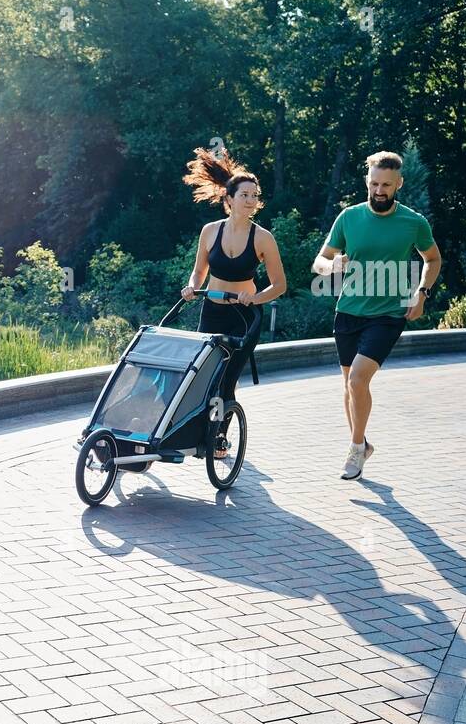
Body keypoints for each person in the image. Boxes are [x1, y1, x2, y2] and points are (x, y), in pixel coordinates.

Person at [312, 150, 442, 480]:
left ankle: (356, 449)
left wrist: (421, 293)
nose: (379, 190)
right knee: (349, 387)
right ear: (366, 182)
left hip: (388, 314)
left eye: (386, 184)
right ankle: (363, 444)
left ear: (398, 183)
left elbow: (433, 259)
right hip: (348, 311)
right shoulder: (348, 217)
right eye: (374, 184)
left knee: (357, 380)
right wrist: (332, 266)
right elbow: (319, 261)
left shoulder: (413, 222)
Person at [180, 147, 287, 455]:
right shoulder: (209, 232)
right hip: (212, 309)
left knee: (227, 379)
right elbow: (199, 271)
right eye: (245, 195)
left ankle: (220, 438)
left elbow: (279, 285)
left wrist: (255, 297)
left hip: (245, 315)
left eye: (255, 195)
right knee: (201, 373)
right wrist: (191, 288)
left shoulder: (263, 237)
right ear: (229, 200)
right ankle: (195, 428)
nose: (252, 200)